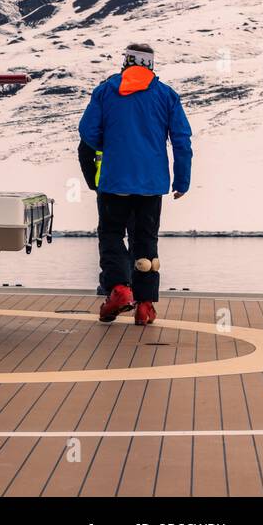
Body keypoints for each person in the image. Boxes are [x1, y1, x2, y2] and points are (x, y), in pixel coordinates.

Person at [78, 43, 192, 326]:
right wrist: (182, 180)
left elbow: (88, 132)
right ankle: (144, 305)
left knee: (112, 234)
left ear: (126, 62)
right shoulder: (166, 95)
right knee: (145, 240)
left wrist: (115, 145)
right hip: (151, 183)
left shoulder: (106, 90)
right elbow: (181, 140)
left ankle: (118, 290)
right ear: (150, 64)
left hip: (114, 180)